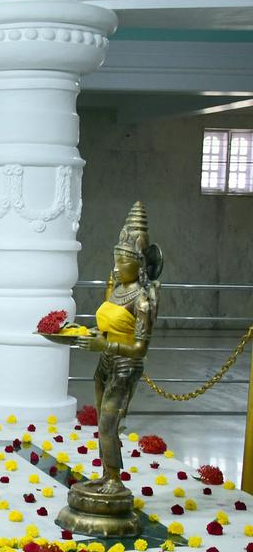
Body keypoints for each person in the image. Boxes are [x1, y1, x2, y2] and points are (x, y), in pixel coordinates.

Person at [75, 201, 161, 494]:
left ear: (139, 265)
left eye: (122, 262)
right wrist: (91, 336)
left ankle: (115, 479)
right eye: (115, 260)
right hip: (105, 363)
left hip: (125, 365)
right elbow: (108, 322)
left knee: (109, 421)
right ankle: (106, 471)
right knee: (102, 422)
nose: (116, 267)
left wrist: (106, 343)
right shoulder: (117, 290)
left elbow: (139, 348)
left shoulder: (142, 299)